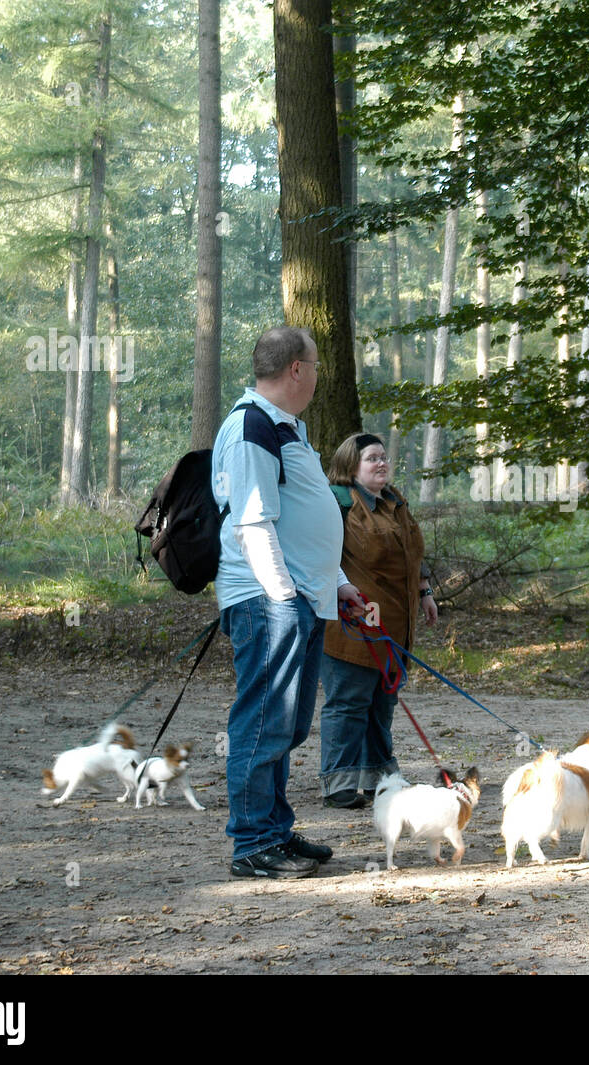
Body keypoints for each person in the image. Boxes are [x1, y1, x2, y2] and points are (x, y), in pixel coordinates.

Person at [212, 325, 365, 878]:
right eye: (317, 365)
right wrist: (284, 600)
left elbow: (303, 521)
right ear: (296, 369)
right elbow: (254, 522)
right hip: (268, 599)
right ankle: (252, 844)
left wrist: (338, 583)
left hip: (301, 597)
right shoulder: (252, 426)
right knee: (262, 721)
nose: (320, 376)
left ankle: (274, 830)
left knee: (288, 724)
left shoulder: (286, 428)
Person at [318, 433, 436, 808]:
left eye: (383, 457)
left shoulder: (394, 500)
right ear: (351, 465)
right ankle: (338, 783)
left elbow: (413, 550)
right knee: (349, 701)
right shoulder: (336, 502)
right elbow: (317, 553)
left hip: (395, 624)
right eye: (372, 459)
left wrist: (425, 590)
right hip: (350, 621)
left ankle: (378, 780)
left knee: (382, 702)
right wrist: (338, 591)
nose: (381, 463)